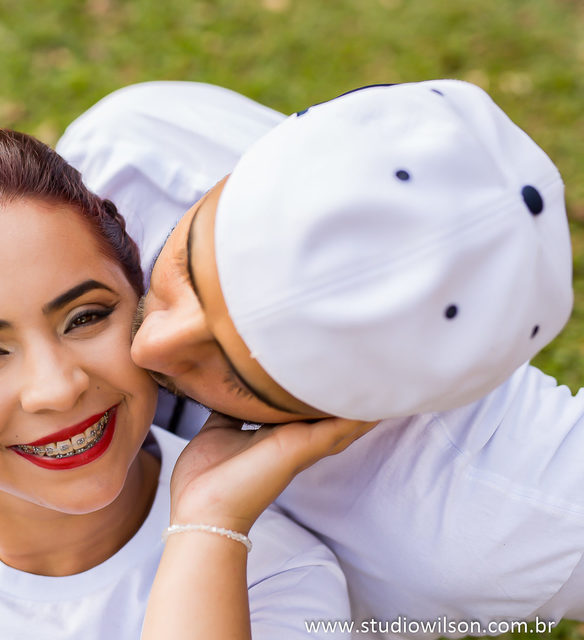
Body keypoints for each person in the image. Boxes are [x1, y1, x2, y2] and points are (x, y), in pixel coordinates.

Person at [0, 79, 581, 638]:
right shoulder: (146, 146)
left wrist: (210, 519)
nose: (148, 347)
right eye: (178, 280)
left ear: (338, 415)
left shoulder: (482, 520)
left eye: (233, 374)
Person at [57, 79, 584, 636]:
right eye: (186, 266)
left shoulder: (503, 513)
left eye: (236, 374)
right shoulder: (133, 155)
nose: (149, 344)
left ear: (359, 415)